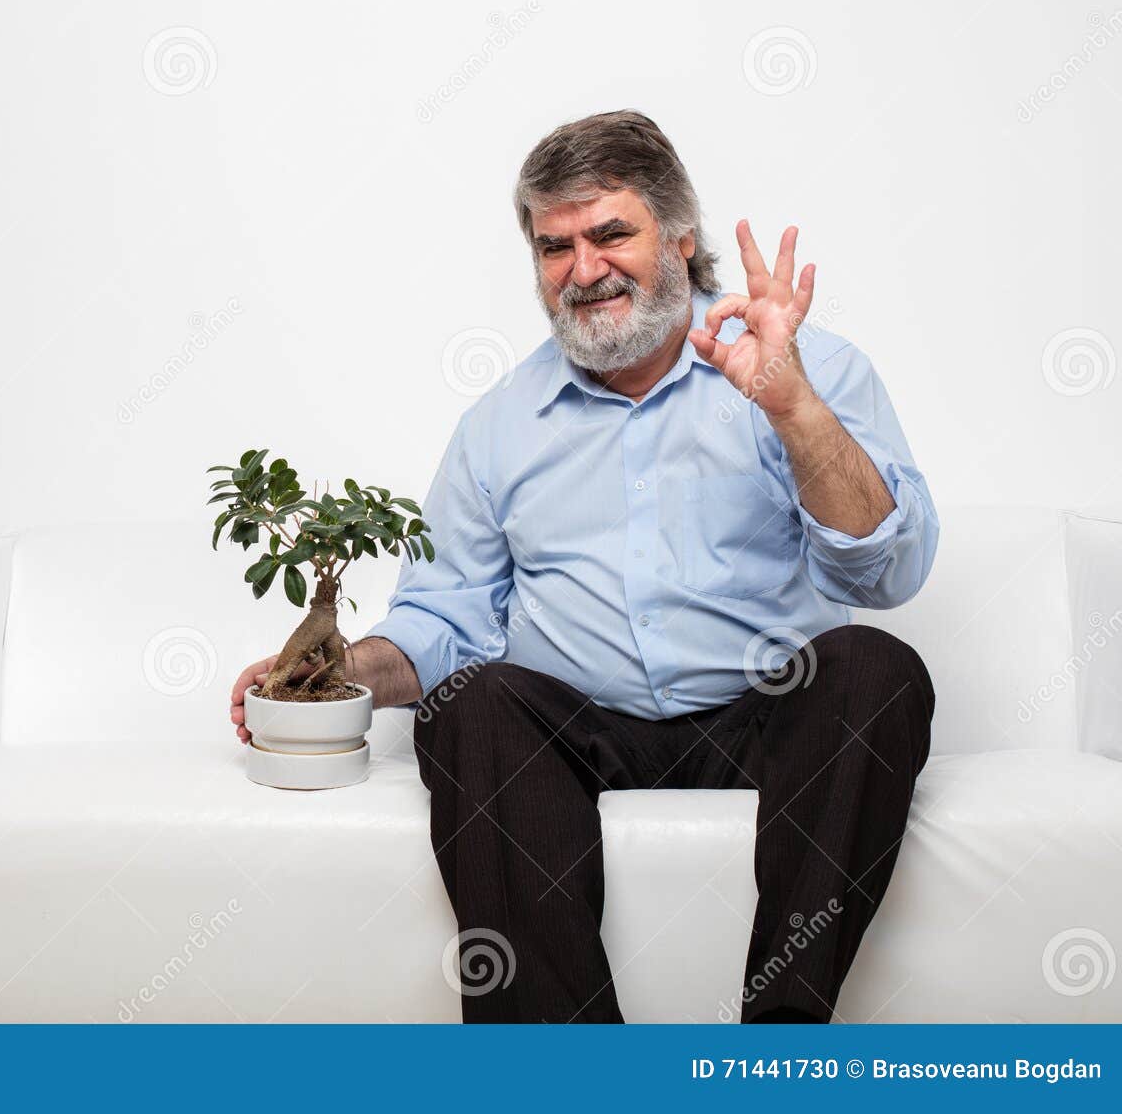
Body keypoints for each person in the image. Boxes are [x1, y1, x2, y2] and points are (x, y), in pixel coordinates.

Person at [229, 110, 937, 1023]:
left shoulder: (804, 370)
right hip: (580, 737)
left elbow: (889, 573)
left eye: (611, 233)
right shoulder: (501, 425)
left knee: (877, 672)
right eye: (554, 246)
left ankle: (777, 1053)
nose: (584, 268)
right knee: (469, 706)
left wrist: (792, 408)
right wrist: (333, 671)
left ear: (682, 240)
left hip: (768, 716)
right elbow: (444, 621)